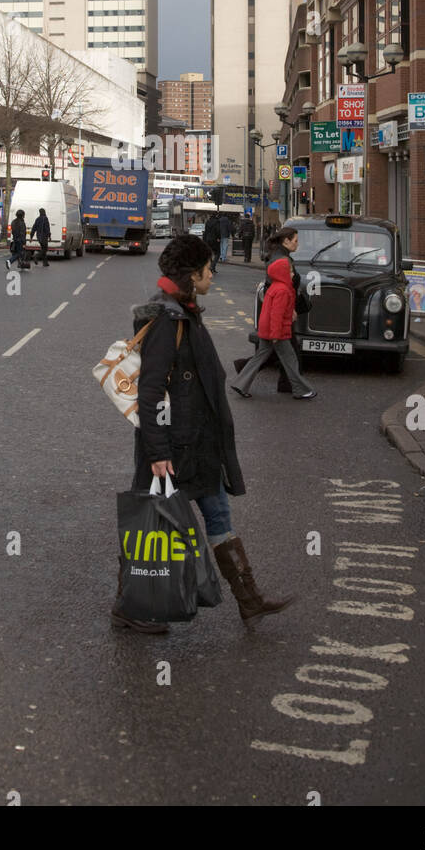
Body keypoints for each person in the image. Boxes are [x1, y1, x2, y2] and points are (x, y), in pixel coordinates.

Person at [112, 233, 293, 634]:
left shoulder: (183, 310)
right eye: (208, 269)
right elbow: (150, 391)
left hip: (195, 443)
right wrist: (158, 452)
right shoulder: (167, 319)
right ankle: (130, 605)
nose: (213, 274)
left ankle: (250, 601)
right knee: (151, 525)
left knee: (217, 513)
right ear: (192, 276)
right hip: (174, 448)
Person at [231, 247, 317, 400]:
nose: (293, 275)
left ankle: (240, 383)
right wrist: (276, 335)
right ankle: (301, 390)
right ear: (282, 274)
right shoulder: (283, 290)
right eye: (290, 272)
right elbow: (276, 315)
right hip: (277, 332)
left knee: (259, 358)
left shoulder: (275, 287)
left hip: (267, 329)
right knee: (290, 360)